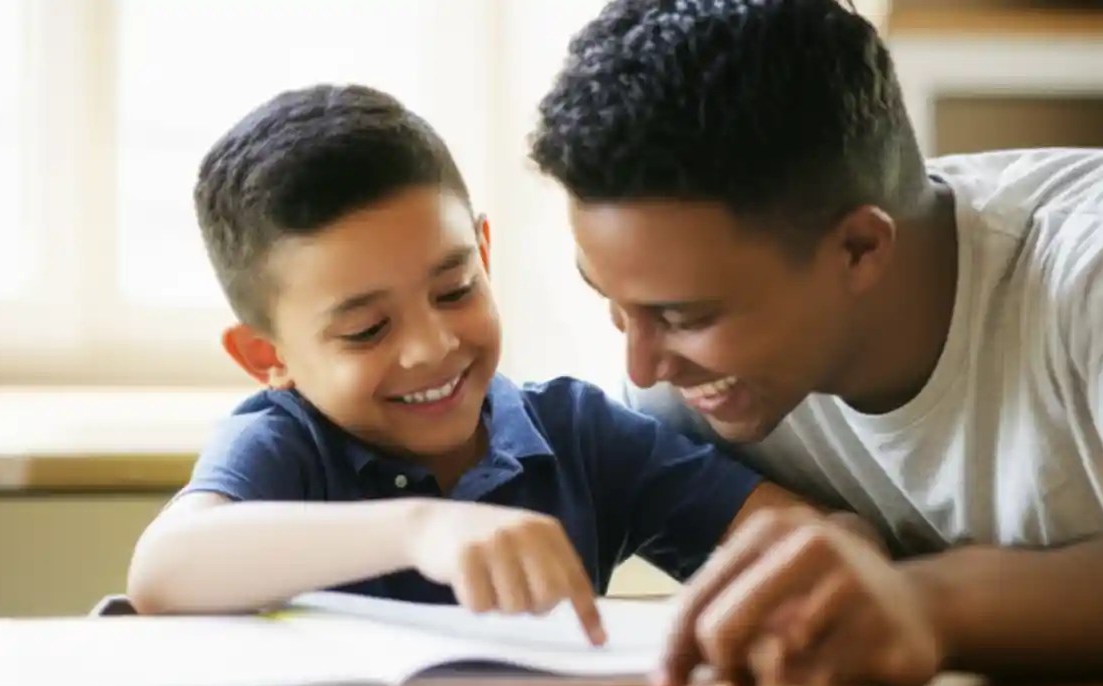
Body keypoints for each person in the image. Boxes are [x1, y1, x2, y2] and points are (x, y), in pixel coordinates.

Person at [530, 0, 1103, 686]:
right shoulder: (687, 393)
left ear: (860, 248)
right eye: (613, 302)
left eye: (685, 316)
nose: (642, 368)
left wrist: (929, 605)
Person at [125, 84, 855, 644]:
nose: (433, 346)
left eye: (454, 289)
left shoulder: (576, 435)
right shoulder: (285, 445)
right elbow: (164, 572)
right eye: (368, 329)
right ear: (268, 358)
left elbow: (815, 540)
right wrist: (421, 529)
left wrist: (817, 577)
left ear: (484, 251)